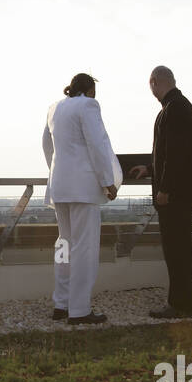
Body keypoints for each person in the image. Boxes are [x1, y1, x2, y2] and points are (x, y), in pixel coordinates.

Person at [129, 66, 192, 318]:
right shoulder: (179, 106)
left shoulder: (173, 109)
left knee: (175, 250)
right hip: (184, 192)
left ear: (153, 82)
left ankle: (180, 304)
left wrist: (164, 188)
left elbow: (175, 156)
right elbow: (175, 153)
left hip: (176, 194)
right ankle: (191, 302)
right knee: (181, 249)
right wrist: (150, 168)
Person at [42, 73, 122, 325]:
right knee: (84, 249)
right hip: (83, 188)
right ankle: (79, 310)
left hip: (60, 186)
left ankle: (61, 303)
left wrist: (57, 172)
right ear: (89, 90)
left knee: (64, 246)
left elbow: (46, 145)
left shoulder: (54, 108)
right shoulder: (88, 105)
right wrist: (107, 180)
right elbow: (97, 143)